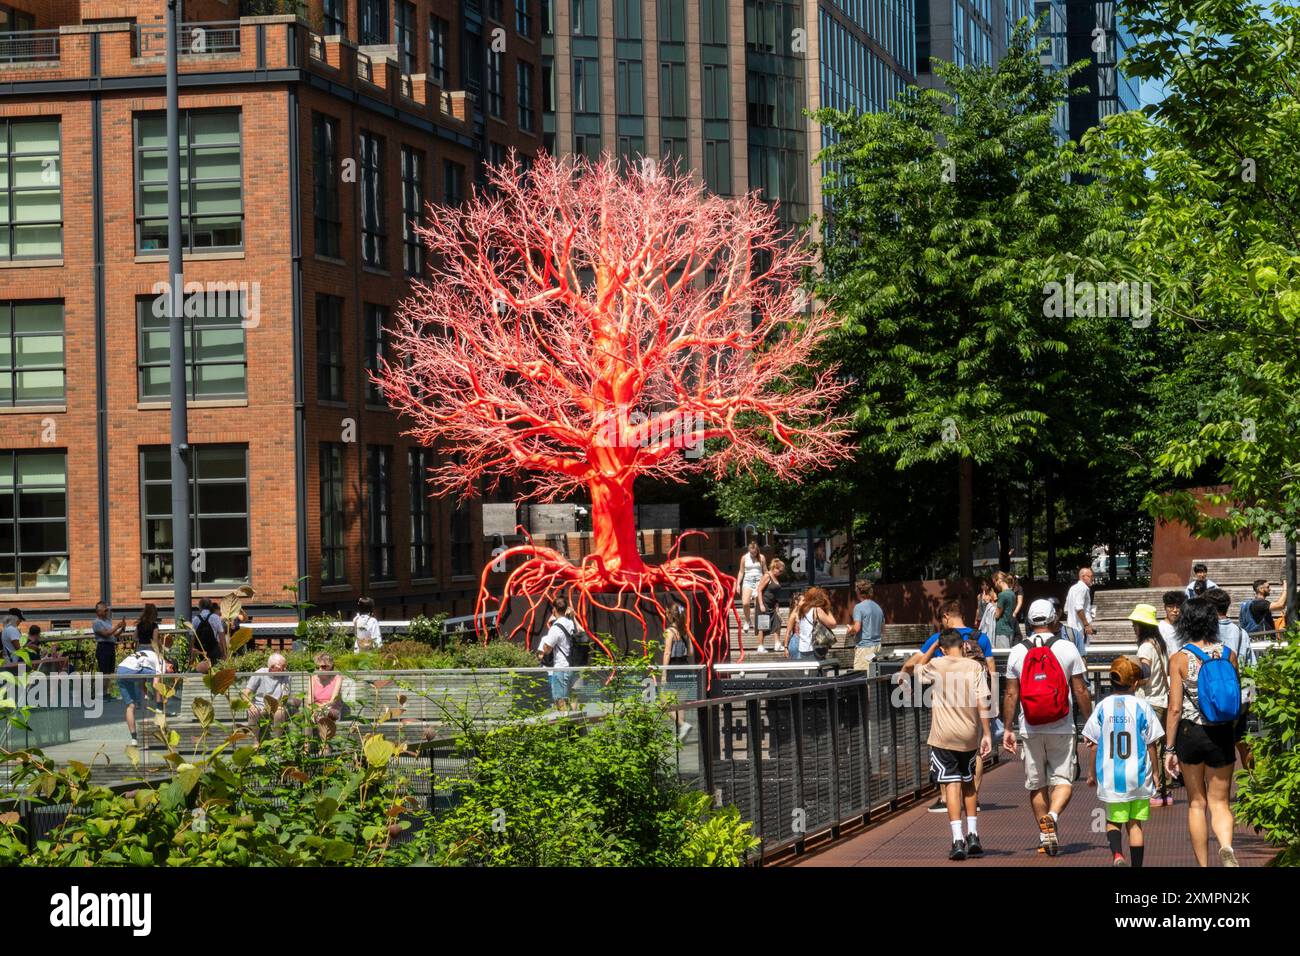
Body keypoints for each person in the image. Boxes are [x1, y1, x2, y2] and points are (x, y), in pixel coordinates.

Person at [1001, 598, 1093, 856]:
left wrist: (1008, 728)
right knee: (1063, 780)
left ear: (1029, 622)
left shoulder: (1017, 651)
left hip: (1029, 727)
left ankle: (1044, 834)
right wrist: (1091, 722)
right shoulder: (1067, 648)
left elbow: (1010, 695)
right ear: (1055, 620)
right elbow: (1080, 690)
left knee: (1036, 785)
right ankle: (1052, 815)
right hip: (1061, 725)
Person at [1164, 597, 1240, 867]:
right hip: (1221, 733)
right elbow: (1236, 697)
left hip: (1190, 733)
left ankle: (1204, 866)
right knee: (1220, 802)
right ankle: (1227, 845)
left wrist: (1169, 748)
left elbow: (1174, 708)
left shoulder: (1179, 658)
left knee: (1197, 803)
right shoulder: (1228, 653)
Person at [902, 600, 997, 811]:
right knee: (975, 750)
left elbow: (914, 665)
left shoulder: (940, 639)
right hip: (975, 702)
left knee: (945, 750)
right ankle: (973, 796)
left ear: (946, 616)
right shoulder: (980, 637)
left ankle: (946, 799)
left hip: (947, 704)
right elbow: (991, 668)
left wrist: (901, 673)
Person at [913, 629, 993, 860]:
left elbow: (917, 668)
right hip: (968, 736)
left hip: (943, 736)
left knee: (951, 785)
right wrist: (986, 733)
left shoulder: (937, 664)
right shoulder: (974, 667)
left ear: (943, 648)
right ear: (962, 645)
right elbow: (982, 701)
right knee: (968, 783)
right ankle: (974, 835)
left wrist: (930, 648)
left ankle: (958, 839)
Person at [1083, 656, 1164, 867]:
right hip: (1137, 774)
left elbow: (1092, 743)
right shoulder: (1142, 706)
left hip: (1110, 774)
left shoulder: (1102, 707)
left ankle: (1118, 855)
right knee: (1135, 824)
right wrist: (1156, 772)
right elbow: (1151, 744)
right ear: (1135, 683)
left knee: (1113, 821)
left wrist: (1091, 772)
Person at [1205, 587, 1255, 768]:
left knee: (1216, 744)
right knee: (1243, 742)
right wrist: (1251, 699)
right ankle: (1252, 784)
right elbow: (1251, 668)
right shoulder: (1242, 633)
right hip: (1239, 697)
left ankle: (1218, 788)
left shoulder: (1205, 634)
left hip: (1213, 698)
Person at [1129, 603, 1172, 806]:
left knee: (1150, 748)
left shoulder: (1146, 646)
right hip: (1162, 700)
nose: (1133, 628)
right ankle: (1165, 790)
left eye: (1135, 624)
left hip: (1149, 702)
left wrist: (1132, 678)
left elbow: (1144, 673)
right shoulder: (1159, 644)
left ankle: (1155, 789)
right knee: (1161, 747)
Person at [116, 605, 169, 742]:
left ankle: (142, 699)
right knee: (156, 676)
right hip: (150, 651)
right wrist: (161, 651)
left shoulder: (139, 625)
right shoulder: (154, 625)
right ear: (154, 614)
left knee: (140, 679)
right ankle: (158, 707)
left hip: (137, 654)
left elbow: (134, 638)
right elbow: (155, 641)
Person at [243, 652, 297, 742]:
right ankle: (255, 742)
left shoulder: (286, 675)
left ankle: (277, 742)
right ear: (272, 667)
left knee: (280, 711)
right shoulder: (260, 673)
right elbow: (245, 693)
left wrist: (280, 704)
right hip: (260, 706)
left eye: (285, 666)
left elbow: (285, 697)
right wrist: (250, 705)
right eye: (282, 666)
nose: (285, 669)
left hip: (277, 706)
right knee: (252, 712)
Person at [538, 594, 577, 711]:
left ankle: (564, 724)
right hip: (572, 666)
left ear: (554, 609)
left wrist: (545, 645)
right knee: (572, 698)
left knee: (559, 699)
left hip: (561, 667)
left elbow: (547, 648)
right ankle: (575, 724)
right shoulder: (570, 623)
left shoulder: (556, 628)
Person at [785, 587, 836, 663]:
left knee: (807, 672)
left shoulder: (802, 610)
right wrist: (827, 608)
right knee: (818, 671)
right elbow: (833, 624)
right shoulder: (816, 610)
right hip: (815, 647)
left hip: (803, 647)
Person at [308, 652, 344, 750]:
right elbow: (309, 699)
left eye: (324, 666)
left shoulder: (337, 678)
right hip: (316, 708)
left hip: (332, 708)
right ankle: (306, 746)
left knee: (322, 714)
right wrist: (311, 709)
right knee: (306, 716)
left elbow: (333, 700)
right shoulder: (313, 678)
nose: (320, 669)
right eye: (318, 666)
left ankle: (325, 746)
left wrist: (319, 709)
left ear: (330, 666)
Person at [849, 580, 884, 673]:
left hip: (865, 648)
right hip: (877, 648)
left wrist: (850, 630)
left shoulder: (859, 607)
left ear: (858, 591)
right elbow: (882, 629)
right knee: (875, 676)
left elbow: (856, 628)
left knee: (861, 677)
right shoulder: (878, 607)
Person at [92, 602, 128, 692]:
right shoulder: (96, 622)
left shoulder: (107, 621)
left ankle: (105, 692)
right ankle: (101, 693)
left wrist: (122, 629)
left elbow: (114, 635)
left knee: (109, 672)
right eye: (105, 610)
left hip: (110, 647)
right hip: (103, 647)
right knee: (104, 672)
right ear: (98, 611)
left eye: (107, 610)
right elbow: (106, 634)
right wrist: (117, 626)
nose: (107, 612)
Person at [754, 558, 785, 653]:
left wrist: (777, 606)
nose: (780, 573)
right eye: (779, 570)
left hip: (772, 604)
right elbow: (759, 590)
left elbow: (775, 593)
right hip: (764, 603)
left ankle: (777, 644)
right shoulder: (767, 576)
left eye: (781, 571)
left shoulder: (775, 578)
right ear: (775, 568)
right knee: (763, 625)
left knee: (777, 621)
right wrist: (761, 604)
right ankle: (760, 646)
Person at [736, 540, 767, 636]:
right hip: (748, 581)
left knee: (757, 604)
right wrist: (738, 584)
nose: (753, 554)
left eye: (754, 552)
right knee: (745, 602)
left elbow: (765, 571)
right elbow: (741, 572)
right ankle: (747, 620)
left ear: (757, 550)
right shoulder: (744, 558)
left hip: (759, 581)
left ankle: (757, 622)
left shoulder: (761, 557)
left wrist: (768, 580)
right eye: (751, 552)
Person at [1062, 567, 1095, 653]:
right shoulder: (1082, 588)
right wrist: (1086, 625)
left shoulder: (1073, 588)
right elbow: (1079, 608)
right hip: (1080, 629)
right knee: (1082, 654)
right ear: (1083, 576)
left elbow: (1066, 609)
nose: (1093, 578)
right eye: (1091, 576)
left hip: (1072, 628)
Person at [190, 598, 227, 672]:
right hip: (213, 649)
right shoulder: (215, 618)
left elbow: (192, 639)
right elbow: (221, 636)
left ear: (200, 607)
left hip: (200, 651)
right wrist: (224, 652)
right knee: (215, 670)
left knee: (201, 671)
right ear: (210, 607)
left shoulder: (195, 619)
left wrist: (192, 655)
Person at [993, 571, 1018, 649]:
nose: (995, 585)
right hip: (1010, 628)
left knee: (1002, 658)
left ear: (999, 581)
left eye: (994, 582)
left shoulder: (1002, 595)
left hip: (1001, 629)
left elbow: (997, 615)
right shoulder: (1012, 594)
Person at [1159, 591, 1185, 656]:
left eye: (1178, 607)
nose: (1175, 610)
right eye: (1171, 607)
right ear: (1165, 608)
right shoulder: (1160, 628)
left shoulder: (1184, 626)